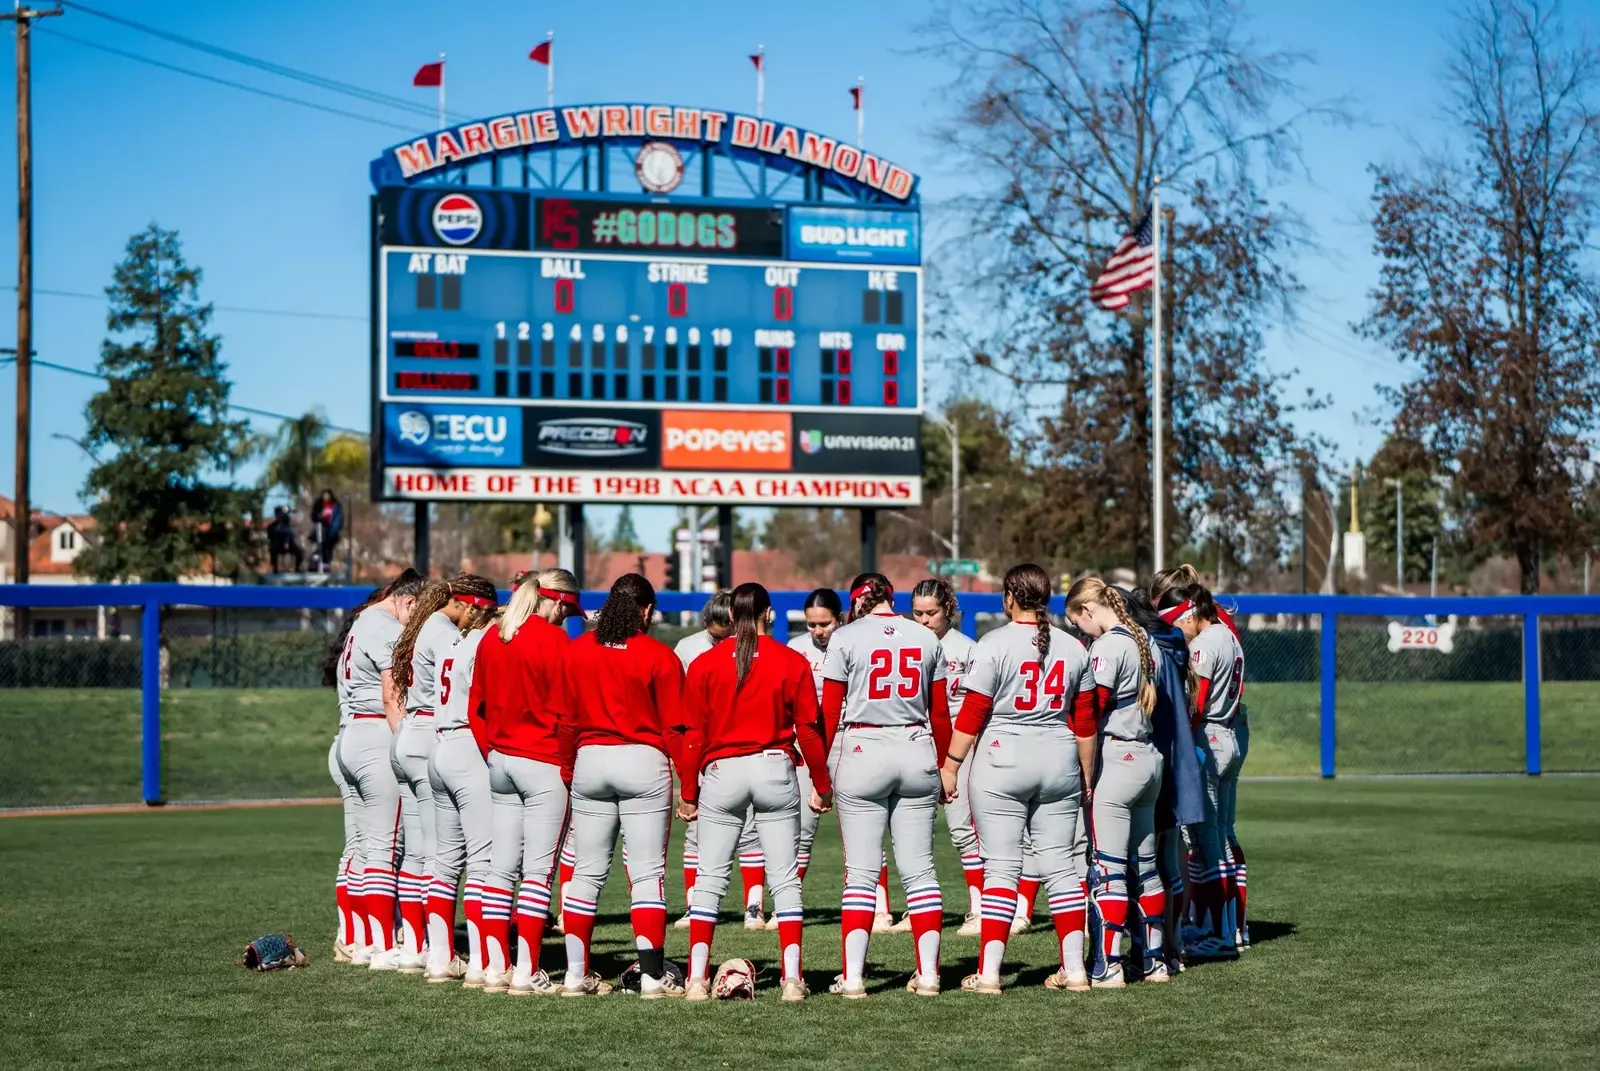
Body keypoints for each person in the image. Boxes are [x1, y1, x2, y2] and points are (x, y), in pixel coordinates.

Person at [940, 564, 1096, 994]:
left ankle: (990, 973)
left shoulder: (994, 643)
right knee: (1063, 868)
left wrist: (951, 764)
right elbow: (1084, 721)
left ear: (1010, 596)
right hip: (1058, 758)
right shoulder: (1073, 647)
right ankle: (1076, 970)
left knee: (1001, 868)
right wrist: (1086, 774)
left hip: (1002, 759)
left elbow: (972, 712)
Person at [679, 583, 833, 1002]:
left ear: (730, 617)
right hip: (774, 768)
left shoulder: (706, 662)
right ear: (768, 614)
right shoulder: (791, 660)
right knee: (784, 878)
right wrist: (822, 784)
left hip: (722, 771)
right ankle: (792, 980)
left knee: (710, 877)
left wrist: (688, 790)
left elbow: (692, 734)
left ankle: (696, 978)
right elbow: (810, 729)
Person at [559, 574, 690, 998]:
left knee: (586, 872)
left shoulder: (577, 649)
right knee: (648, 873)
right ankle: (652, 977)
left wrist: (566, 770)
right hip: (642, 761)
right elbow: (674, 728)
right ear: (647, 611)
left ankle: (576, 974)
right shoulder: (659, 654)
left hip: (590, 760)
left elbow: (563, 721)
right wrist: (690, 779)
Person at [821, 572, 950, 998]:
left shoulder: (846, 637)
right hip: (917, 746)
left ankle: (854, 977)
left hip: (863, 747)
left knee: (860, 873)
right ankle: (929, 974)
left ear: (857, 601)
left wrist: (818, 771)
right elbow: (941, 713)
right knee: (921, 871)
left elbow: (828, 710)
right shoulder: (926, 637)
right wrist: (948, 767)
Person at [473, 569, 584, 996]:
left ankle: (495, 967)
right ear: (555, 601)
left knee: (500, 869)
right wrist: (570, 768)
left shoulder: (493, 636)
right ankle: (526, 970)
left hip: (501, 760)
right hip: (542, 761)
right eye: (566, 608)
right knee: (538, 874)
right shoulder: (555, 641)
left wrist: (493, 752)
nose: (566, 616)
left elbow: (476, 708)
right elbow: (568, 716)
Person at [1066, 576, 1168, 987]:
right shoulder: (1148, 639)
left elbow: (1092, 707)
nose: (1079, 631)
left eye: (1078, 622)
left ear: (1089, 611)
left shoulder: (1108, 645)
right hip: (1149, 758)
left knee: (1107, 868)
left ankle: (1108, 965)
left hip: (1118, 757)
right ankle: (1154, 962)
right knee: (1145, 867)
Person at [334, 568, 425, 969]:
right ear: (408, 601)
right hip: (374, 736)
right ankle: (382, 945)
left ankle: (355, 938)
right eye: (417, 612)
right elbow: (392, 697)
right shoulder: (385, 625)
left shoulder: (360, 623)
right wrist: (407, 743)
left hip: (351, 735)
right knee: (386, 849)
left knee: (363, 848)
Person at [387, 577, 477, 974]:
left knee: (419, 853)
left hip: (410, 734)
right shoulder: (444, 632)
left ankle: (416, 948)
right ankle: (438, 952)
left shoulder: (424, 625)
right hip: (431, 735)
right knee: (443, 854)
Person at [1157, 579, 1248, 958]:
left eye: (1175, 620)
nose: (1175, 629)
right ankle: (1231, 928)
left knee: (1205, 842)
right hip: (1229, 733)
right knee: (1223, 837)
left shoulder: (1204, 645)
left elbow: (1196, 702)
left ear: (1191, 613)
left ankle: (1218, 934)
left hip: (1209, 736)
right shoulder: (1228, 635)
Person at [1122, 585, 1206, 976]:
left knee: (1141, 862)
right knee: (1169, 863)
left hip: (1149, 758)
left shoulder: (1143, 648)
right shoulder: (1173, 643)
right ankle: (1173, 949)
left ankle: (1151, 951)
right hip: (1178, 758)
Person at [674, 592, 770, 930]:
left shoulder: (750, 647)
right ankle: (692, 904)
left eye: (725, 632)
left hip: (738, 746)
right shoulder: (687, 648)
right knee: (696, 832)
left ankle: (754, 906)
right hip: (703, 747)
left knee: (751, 831)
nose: (721, 640)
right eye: (715, 635)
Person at [422, 575, 501, 986]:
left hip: (440, 746)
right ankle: (481, 962)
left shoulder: (453, 641)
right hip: (468, 747)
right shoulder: (482, 642)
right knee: (483, 861)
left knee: (445, 861)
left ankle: (439, 959)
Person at [910, 578, 982, 935]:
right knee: (912, 830)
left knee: (962, 829)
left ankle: (979, 906)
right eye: (918, 613)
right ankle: (918, 904)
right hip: (915, 744)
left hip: (958, 746)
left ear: (948, 610)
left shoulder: (967, 649)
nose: (924, 620)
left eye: (932, 612)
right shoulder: (909, 646)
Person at [786, 587, 844, 890]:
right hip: (807, 742)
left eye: (825, 623)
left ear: (840, 618)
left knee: (862, 833)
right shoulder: (795, 648)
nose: (818, 631)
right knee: (802, 828)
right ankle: (789, 903)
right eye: (812, 624)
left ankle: (880, 910)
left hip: (848, 740)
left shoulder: (854, 643)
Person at [314, 489, 344, 573]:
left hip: (331, 530)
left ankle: (327, 563)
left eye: (328, 496)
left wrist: (334, 529)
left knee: (328, 546)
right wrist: (320, 517)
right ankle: (319, 559)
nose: (326, 497)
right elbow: (314, 516)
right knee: (322, 543)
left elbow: (338, 520)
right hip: (321, 529)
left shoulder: (335, 506)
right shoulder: (319, 505)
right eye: (324, 496)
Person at [266, 506, 303, 573]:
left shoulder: (286, 523)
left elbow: (290, 533)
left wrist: (287, 541)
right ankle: (275, 569)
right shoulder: (273, 526)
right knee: (273, 551)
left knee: (300, 553)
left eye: (281, 514)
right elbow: (269, 534)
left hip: (288, 544)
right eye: (278, 514)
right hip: (278, 545)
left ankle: (297, 568)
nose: (280, 515)